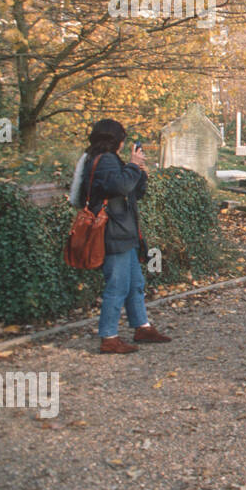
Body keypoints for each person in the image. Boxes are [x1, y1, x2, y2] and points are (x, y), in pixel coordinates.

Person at [69, 119, 170, 354]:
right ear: (116, 140)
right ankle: (109, 337)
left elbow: (134, 191)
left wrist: (140, 172)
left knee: (135, 284)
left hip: (122, 230)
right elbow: (118, 187)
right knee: (117, 286)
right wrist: (133, 166)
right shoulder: (104, 160)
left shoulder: (108, 160)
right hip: (113, 232)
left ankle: (141, 326)